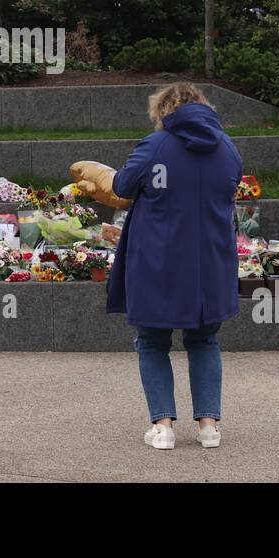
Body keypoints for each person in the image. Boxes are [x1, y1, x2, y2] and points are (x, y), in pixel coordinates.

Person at [107, 82, 243, 450]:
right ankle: (209, 426)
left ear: (162, 112)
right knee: (204, 340)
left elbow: (122, 185)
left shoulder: (155, 146)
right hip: (211, 264)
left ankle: (163, 427)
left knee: (152, 343)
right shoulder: (228, 149)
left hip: (158, 262)